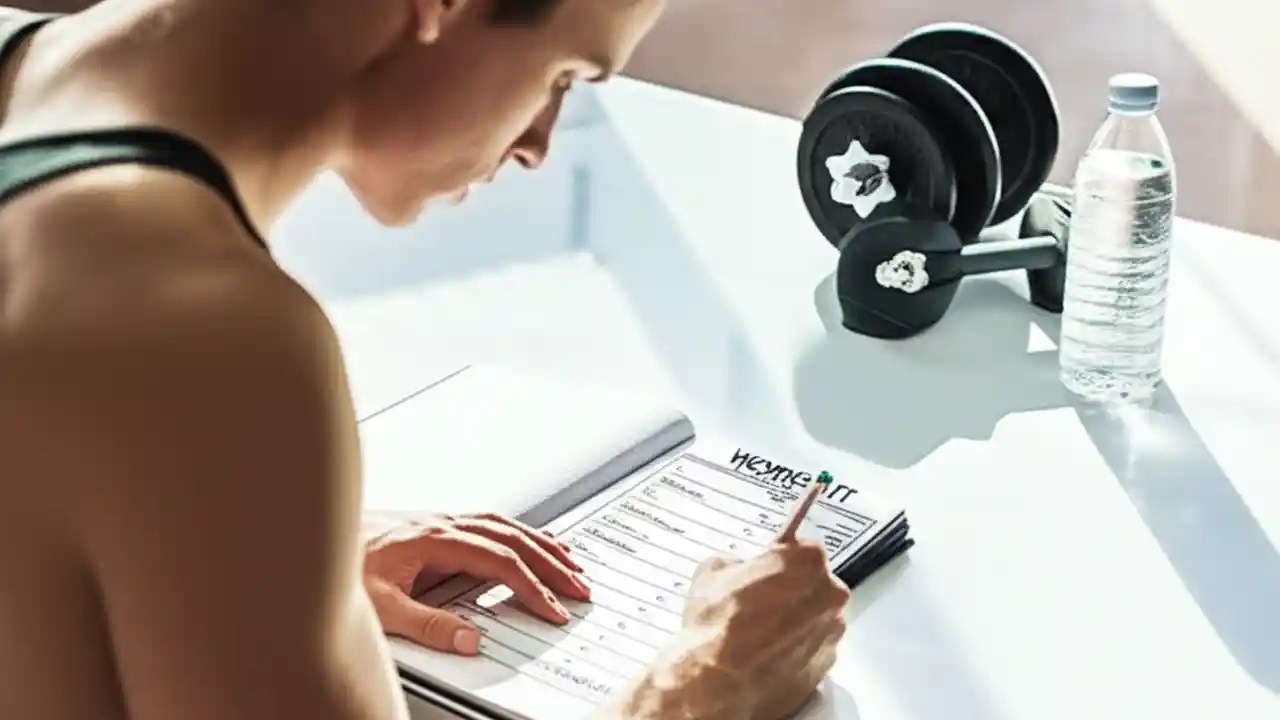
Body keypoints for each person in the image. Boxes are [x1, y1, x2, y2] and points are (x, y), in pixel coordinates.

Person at [0, 1, 852, 718]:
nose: (538, 144)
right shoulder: (206, 333)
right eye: (563, 76)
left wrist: (263, 555)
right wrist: (704, 684)